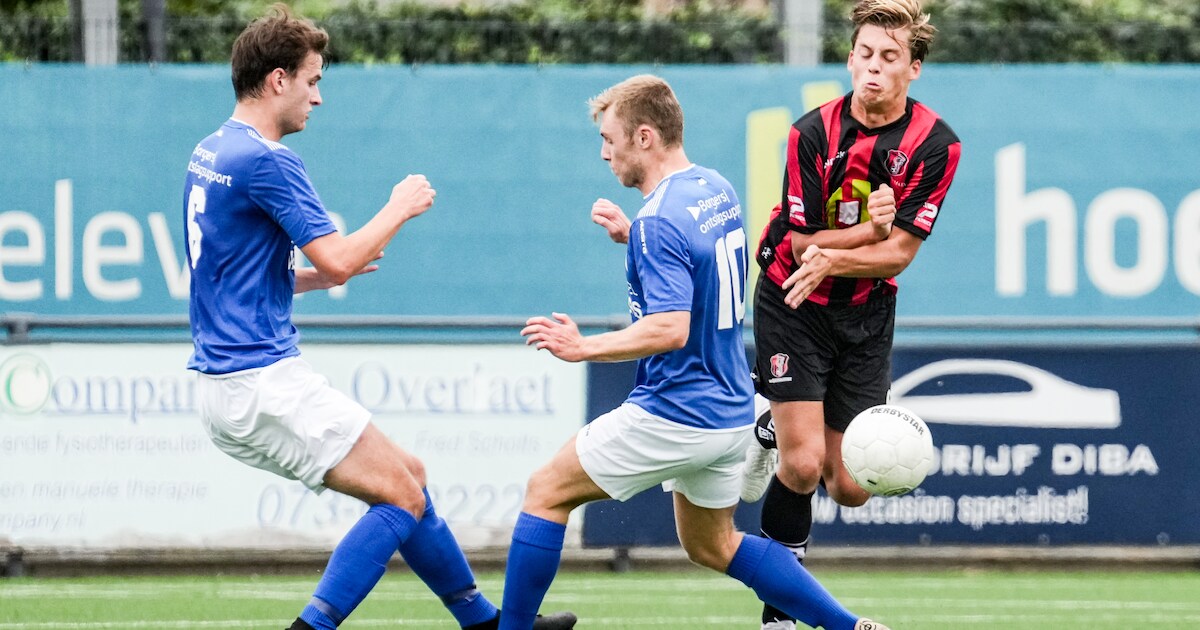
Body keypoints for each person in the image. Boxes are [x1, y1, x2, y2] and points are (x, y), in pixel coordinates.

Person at [183, 6, 576, 630]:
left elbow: (231, 271)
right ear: (277, 80)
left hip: (226, 381)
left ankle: (485, 624)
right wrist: (398, 208)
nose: (319, 97)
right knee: (400, 493)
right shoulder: (268, 159)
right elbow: (339, 260)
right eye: (312, 80)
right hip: (260, 380)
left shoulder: (211, 149)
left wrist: (305, 276)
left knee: (410, 479)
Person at [498, 74, 888, 630]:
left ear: (645, 137)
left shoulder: (659, 221)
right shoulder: (712, 188)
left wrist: (584, 347)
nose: (603, 153)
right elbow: (694, 269)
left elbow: (669, 329)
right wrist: (634, 237)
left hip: (678, 411)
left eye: (610, 139)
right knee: (714, 545)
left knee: (545, 491)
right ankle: (851, 627)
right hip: (730, 413)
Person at [740, 0, 962, 628]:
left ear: (912, 68)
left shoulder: (936, 145)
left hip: (866, 317)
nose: (873, 68)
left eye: (889, 58)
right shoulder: (812, 132)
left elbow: (898, 257)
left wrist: (847, 256)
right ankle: (779, 615)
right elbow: (801, 244)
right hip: (793, 303)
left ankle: (767, 427)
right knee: (803, 464)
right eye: (864, 54)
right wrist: (868, 228)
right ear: (849, 58)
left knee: (851, 486)